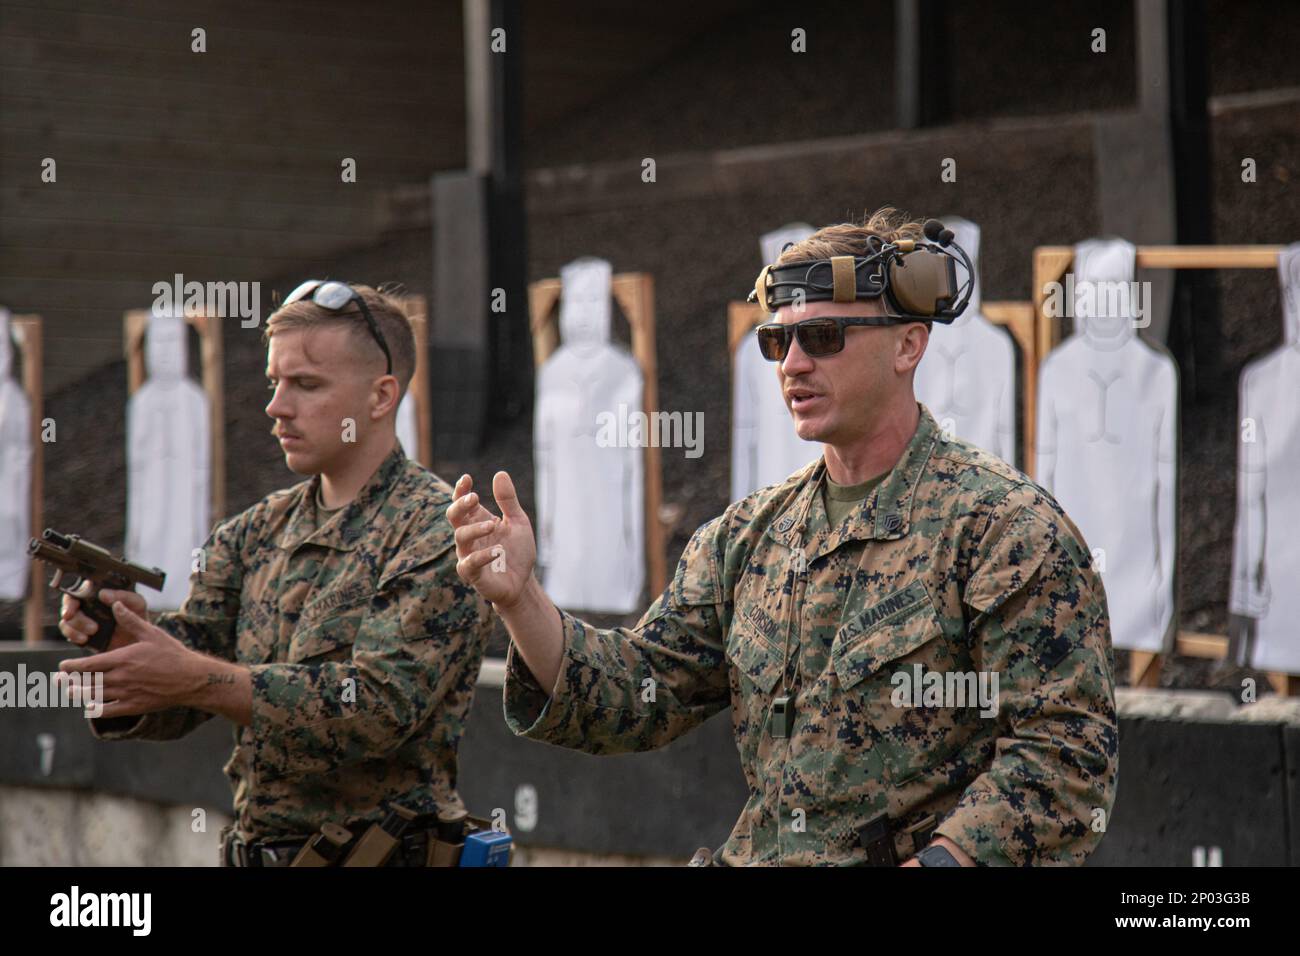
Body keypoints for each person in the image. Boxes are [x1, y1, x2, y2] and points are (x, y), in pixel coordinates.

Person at [449, 209, 1118, 866]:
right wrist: (520, 599)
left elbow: (1063, 755)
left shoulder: (1003, 528)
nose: (792, 363)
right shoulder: (749, 538)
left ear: (908, 345)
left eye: (823, 337)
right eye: (779, 340)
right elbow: (635, 694)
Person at [59, 283, 493, 867]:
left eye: (306, 384)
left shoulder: (437, 534)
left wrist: (190, 675)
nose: (276, 406)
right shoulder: (251, 533)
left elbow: (379, 708)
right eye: (275, 382)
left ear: (380, 396)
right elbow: (188, 680)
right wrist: (122, 640)